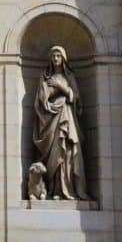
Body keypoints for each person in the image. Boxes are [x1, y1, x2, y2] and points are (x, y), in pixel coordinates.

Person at [31, 45, 88, 199]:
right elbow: (41, 100)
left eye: (58, 56)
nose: (55, 58)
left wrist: (60, 86)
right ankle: (55, 190)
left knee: (68, 152)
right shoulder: (45, 76)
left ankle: (68, 189)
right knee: (55, 152)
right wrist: (47, 93)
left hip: (66, 116)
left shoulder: (69, 76)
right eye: (53, 56)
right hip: (51, 119)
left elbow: (74, 97)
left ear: (63, 58)